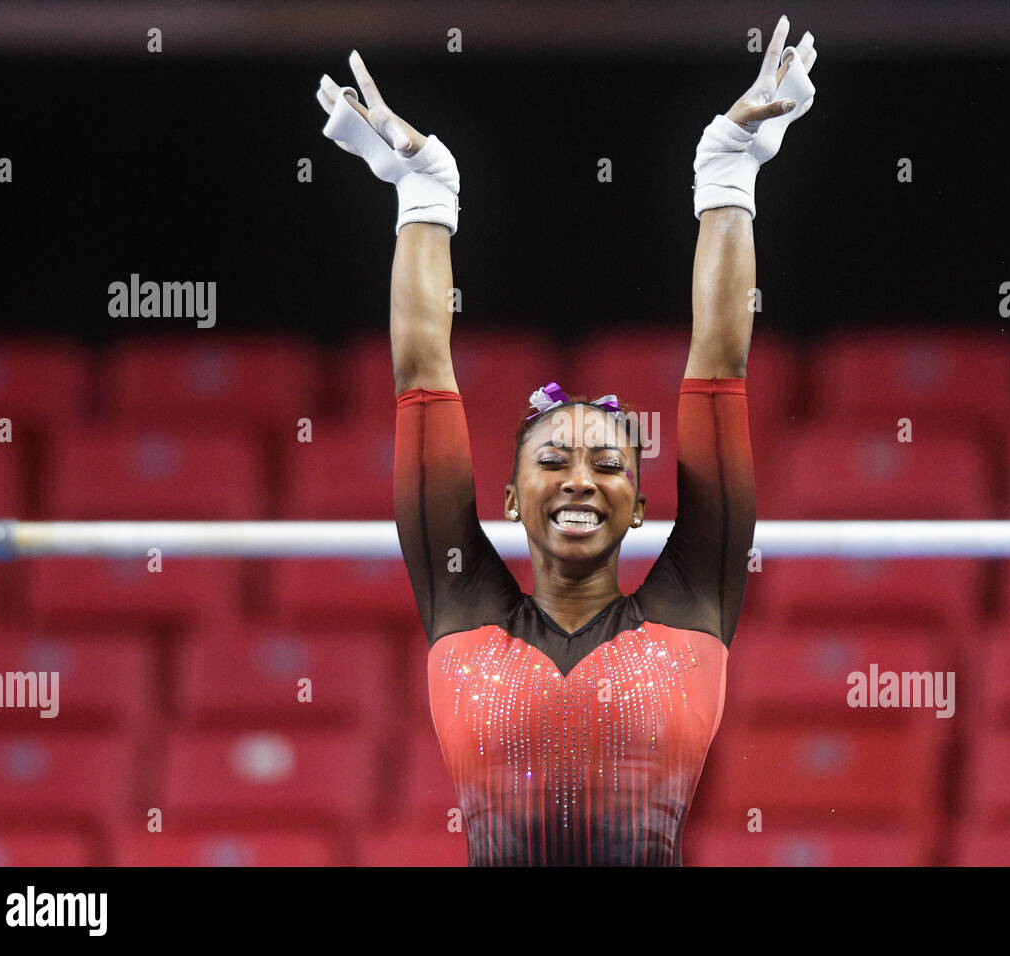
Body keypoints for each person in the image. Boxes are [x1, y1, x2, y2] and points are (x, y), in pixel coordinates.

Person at [315, 15, 817, 866]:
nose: (580, 479)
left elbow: (721, 366)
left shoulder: (694, 599)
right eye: (552, 460)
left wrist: (727, 172)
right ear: (508, 497)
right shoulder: (458, 604)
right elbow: (420, 377)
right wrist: (425, 194)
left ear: (642, 502)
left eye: (607, 463)